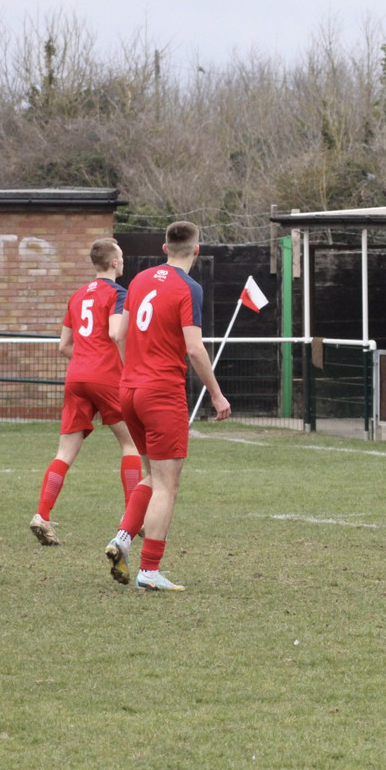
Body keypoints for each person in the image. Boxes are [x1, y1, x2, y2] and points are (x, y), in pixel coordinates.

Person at [104, 221, 231, 592]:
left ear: (163, 248)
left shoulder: (139, 280)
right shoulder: (189, 288)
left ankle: (123, 539)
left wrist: (133, 373)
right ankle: (150, 570)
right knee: (167, 485)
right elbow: (194, 348)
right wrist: (217, 394)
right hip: (162, 393)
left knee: (151, 475)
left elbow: (121, 335)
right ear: (197, 250)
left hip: (130, 389)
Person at [30, 239, 142, 546]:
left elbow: (63, 346)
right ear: (114, 263)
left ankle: (41, 515)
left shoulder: (77, 295)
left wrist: (85, 360)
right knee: (131, 444)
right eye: (122, 256)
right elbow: (117, 333)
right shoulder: (119, 294)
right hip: (106, 376)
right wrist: (129, 366)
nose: (123, 260)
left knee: (64, 453)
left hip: (76, 376)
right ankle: (134, 519)